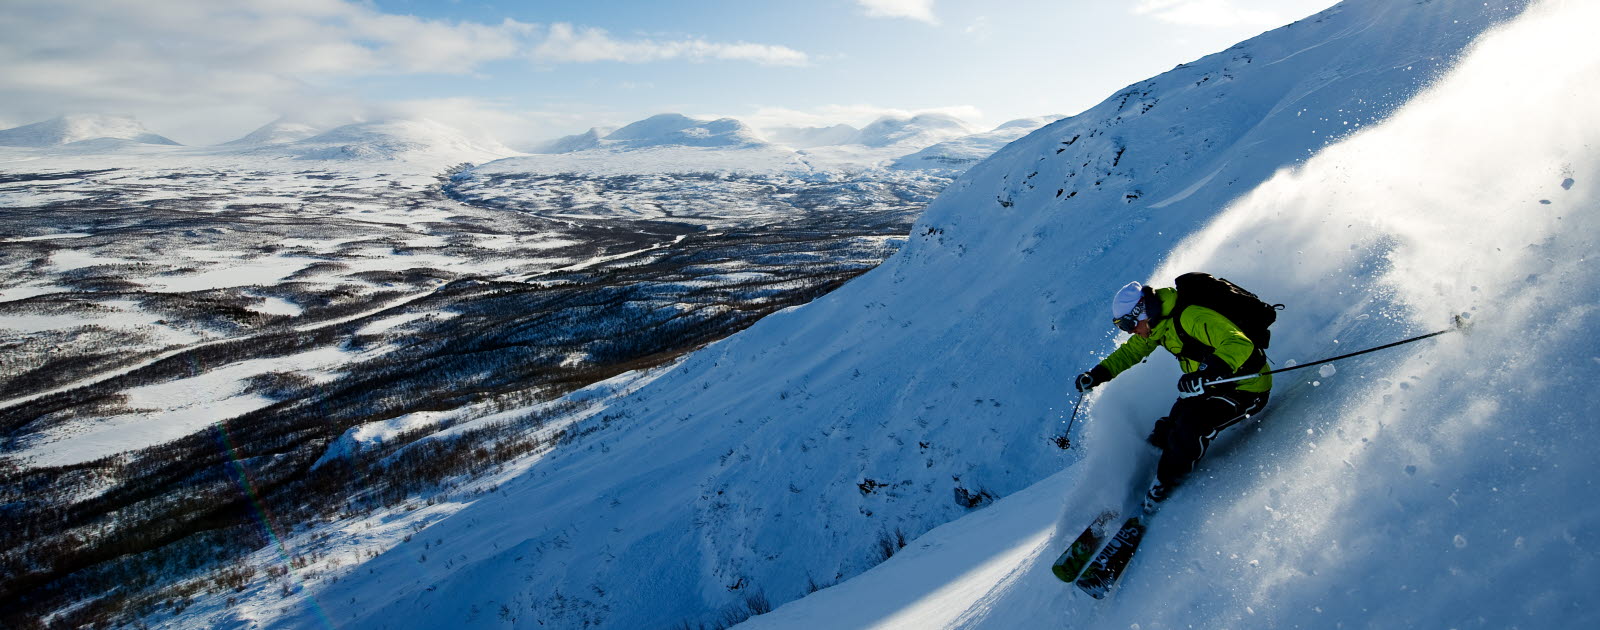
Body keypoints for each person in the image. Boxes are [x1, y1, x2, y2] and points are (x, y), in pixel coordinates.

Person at [1074, 280, 1272, 514]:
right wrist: (1096, 375)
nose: (1129, 331)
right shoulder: (1158, 326)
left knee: (1192, 426)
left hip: (1246, 387)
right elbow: (1131, 352)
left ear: (1142, 310)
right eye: (1121, 326)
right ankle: (1137, 486)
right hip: (1207, 388)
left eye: (1128, 324)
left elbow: (1239, 343)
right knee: (1164, 432)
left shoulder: (1191, 317)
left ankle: (1167, 486)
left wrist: (1207, 372)